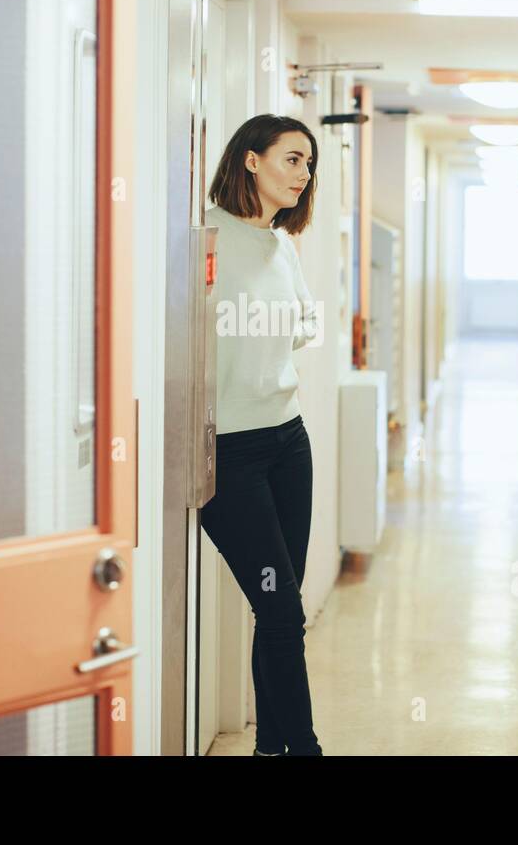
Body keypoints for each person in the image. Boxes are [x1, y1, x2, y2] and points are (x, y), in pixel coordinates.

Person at [199, 114, 323, 756]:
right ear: (251, 160)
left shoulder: (281, 244)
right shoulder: (203, 236)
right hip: (229, 454)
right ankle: (302, 747)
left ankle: (273, 746)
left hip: (287, 442)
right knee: (281, 613)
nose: (303, 176)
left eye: (309, 165)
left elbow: (305, 322)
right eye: (292, 160)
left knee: (281, 612)